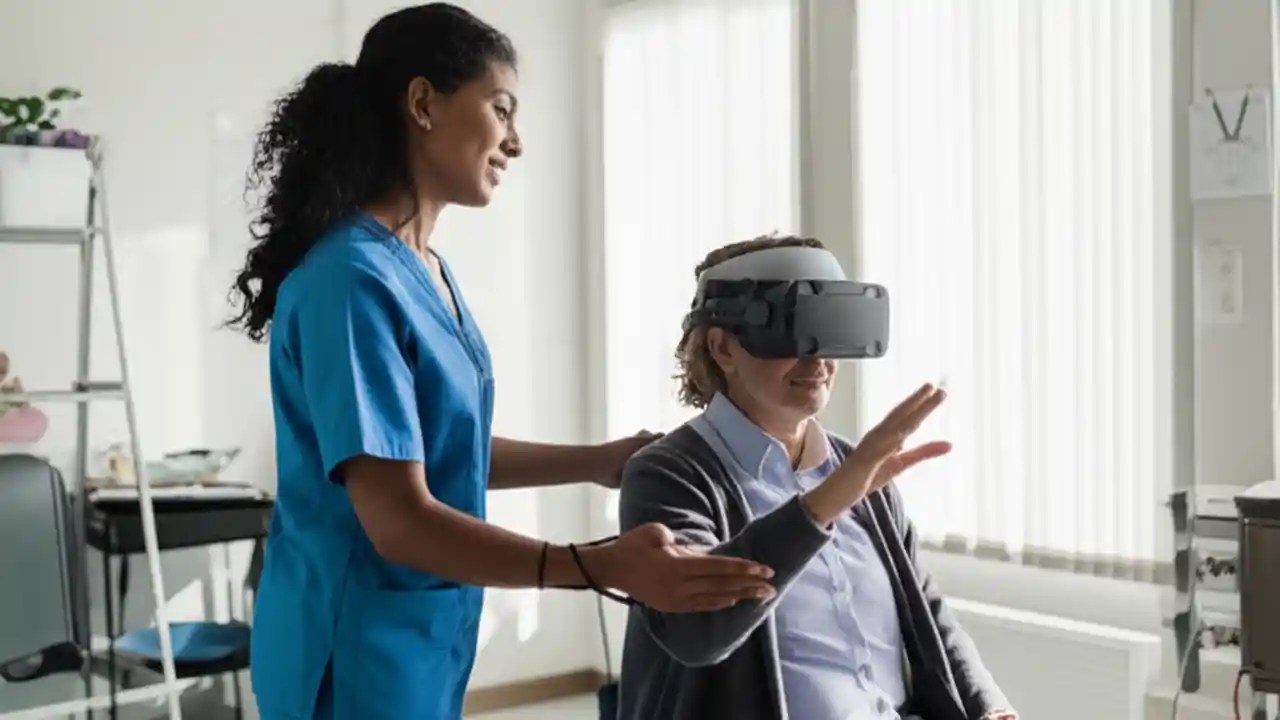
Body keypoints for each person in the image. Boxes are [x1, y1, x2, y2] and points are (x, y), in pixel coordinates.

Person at [225, 5, 776, 719]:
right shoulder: (351, 284)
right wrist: (592, 565)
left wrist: (596, 459)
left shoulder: (426, 271)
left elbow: (437, 452)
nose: (514, 142)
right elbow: (399, 518)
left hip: (419, 633)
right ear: (424, 103)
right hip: (351, 648)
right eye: (501, 108)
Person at [616, 235, 1017, 720]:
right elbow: (699, 632)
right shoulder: (669, 475)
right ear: (723, 347)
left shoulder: (861, 467)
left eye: (829, 333)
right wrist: (825, 503)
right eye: (792, 335)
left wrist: (987, 706)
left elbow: (926, 610)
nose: (818, 362)